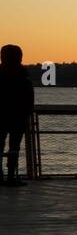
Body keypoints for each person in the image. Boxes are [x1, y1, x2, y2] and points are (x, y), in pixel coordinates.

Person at [0, 44, 34, 187]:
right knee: (14, 148)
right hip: (18, 118)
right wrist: (25, 114)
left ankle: (0, 175)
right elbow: (29, 101)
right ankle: (11, 176)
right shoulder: (24, 79)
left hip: (1, 117)